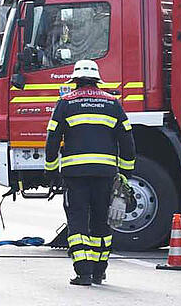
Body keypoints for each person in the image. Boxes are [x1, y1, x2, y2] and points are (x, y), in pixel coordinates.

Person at [44, 60, 135, 286]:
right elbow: (127, 140)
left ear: (75, 81)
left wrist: (51, 169)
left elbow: (52, 138)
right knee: (101, 222)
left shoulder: (65, 102)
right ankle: (98, 271)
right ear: (97, 80)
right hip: (105, 174)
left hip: (75, 174)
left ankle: (82, 271)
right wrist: (125, 174)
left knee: (77, 221)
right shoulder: (112, 103)